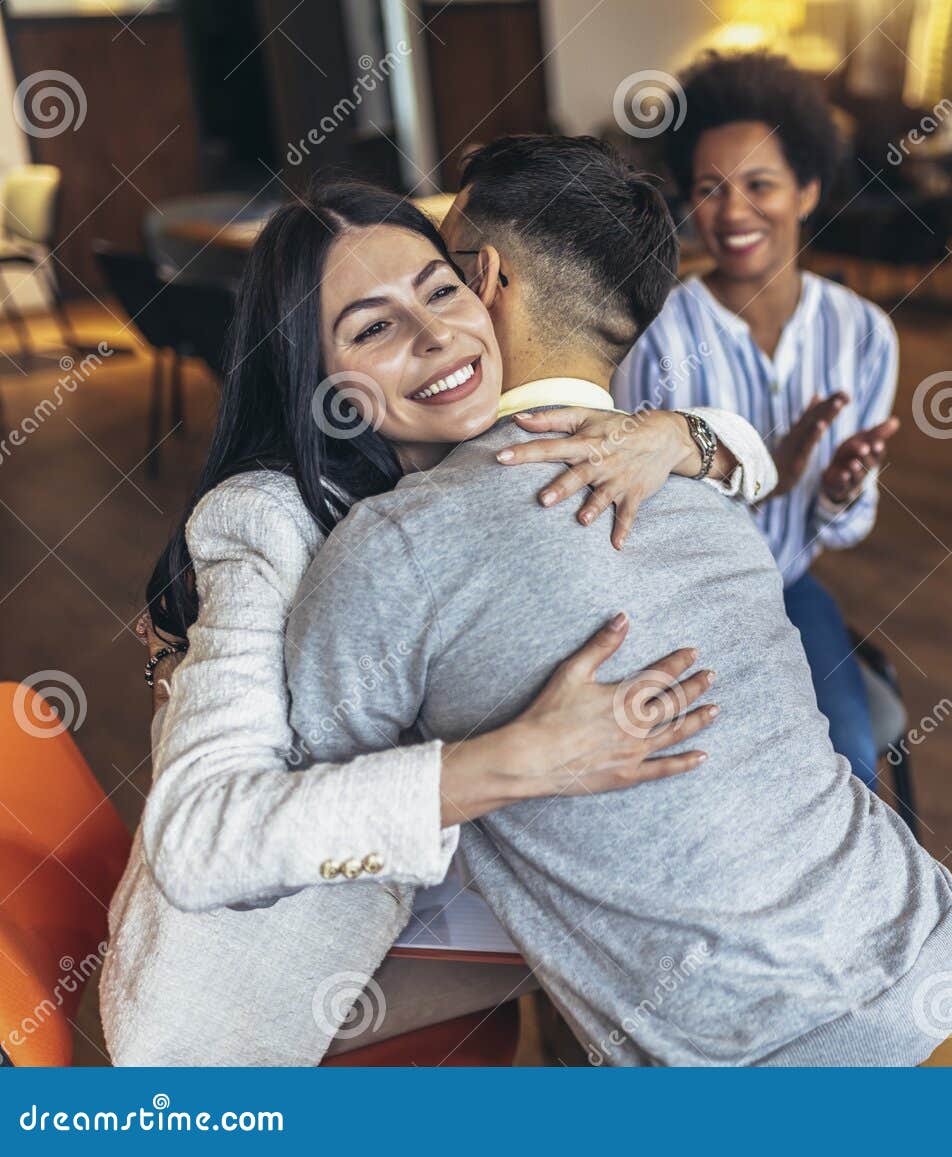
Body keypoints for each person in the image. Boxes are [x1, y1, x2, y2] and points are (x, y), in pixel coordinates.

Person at [286, 133, 952, 1066]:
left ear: (482, 281)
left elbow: (306, 830)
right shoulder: (696, 483)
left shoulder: (395, 546)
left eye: (438, 277)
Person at [103, 173, 780, 1065]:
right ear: (320, 379)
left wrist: (677, 437)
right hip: (256, 995)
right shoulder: (265, 519)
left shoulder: (482, 452)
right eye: (373, 327)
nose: (434, 336)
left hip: (423, 902)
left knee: (649, 912)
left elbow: (754, 459)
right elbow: (199, 841)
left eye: (440, 291)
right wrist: (517, 760)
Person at [613, 51, 899, 790]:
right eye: (709, 189)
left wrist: (836, 488)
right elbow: (641, 522)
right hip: (680, 608)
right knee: (720, 788)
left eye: (759, 184)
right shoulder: (661, 334)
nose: (733, 211)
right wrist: (765, 475)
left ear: (806, 191)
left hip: (792, 591)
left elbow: (842, 528)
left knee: (850, 771)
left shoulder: (864, 334)